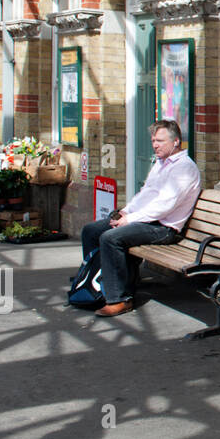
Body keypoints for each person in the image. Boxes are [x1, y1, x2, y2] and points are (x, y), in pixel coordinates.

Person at [79, 119, 200, 317]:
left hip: (164, 228)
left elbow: (165, 205)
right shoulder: (161, 164)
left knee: (111, 238)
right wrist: (126, 211)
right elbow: (146, 193)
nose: (155, 145)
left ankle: (119, 299)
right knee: (91, 231)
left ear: (176, 141)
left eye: (160, 141)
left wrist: (131, 219)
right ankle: (94, 280)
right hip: (147, 220)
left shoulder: (184, 168)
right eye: (153, 140)